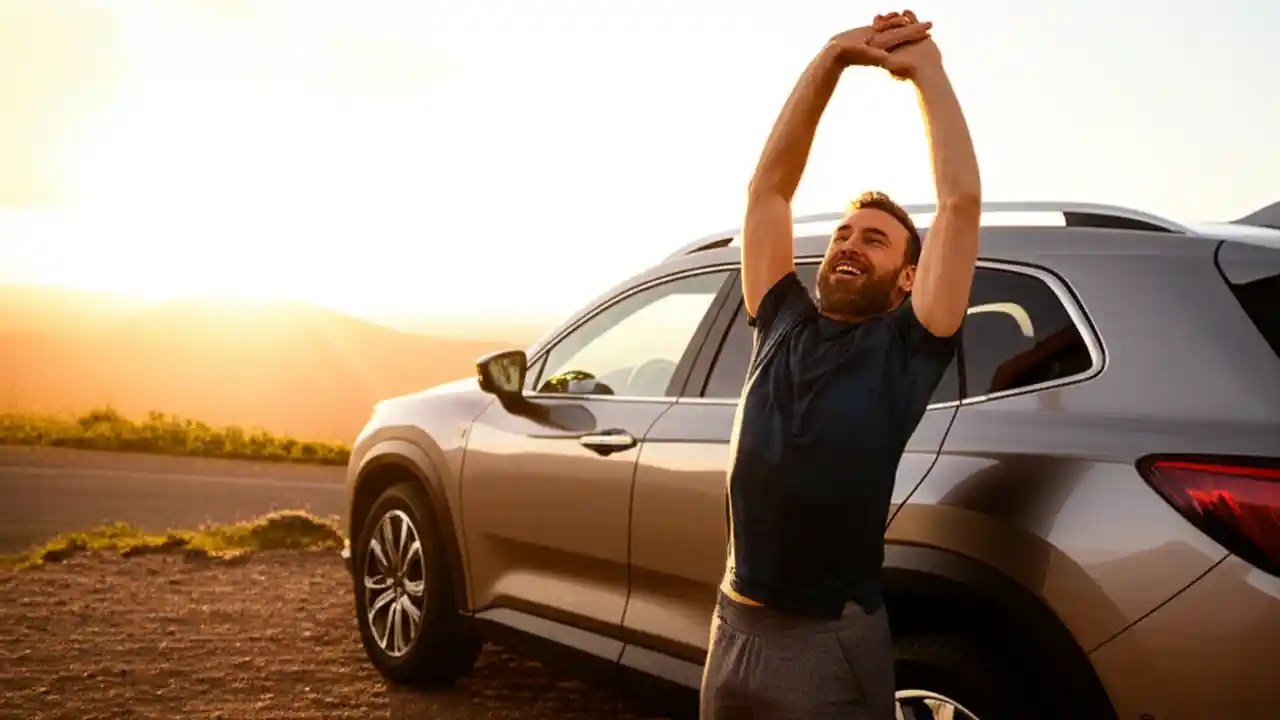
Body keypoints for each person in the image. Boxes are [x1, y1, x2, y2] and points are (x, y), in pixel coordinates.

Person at [700, 9, 981, 720]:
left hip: (827, 644)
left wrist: (929, 74)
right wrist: (831, 59)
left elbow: (960, 202)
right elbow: (768, 193)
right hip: (732, 627)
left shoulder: (905, 349)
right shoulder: (781, 320)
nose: (850, 244)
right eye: (844, 234)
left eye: (877, 240)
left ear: (910, 277)